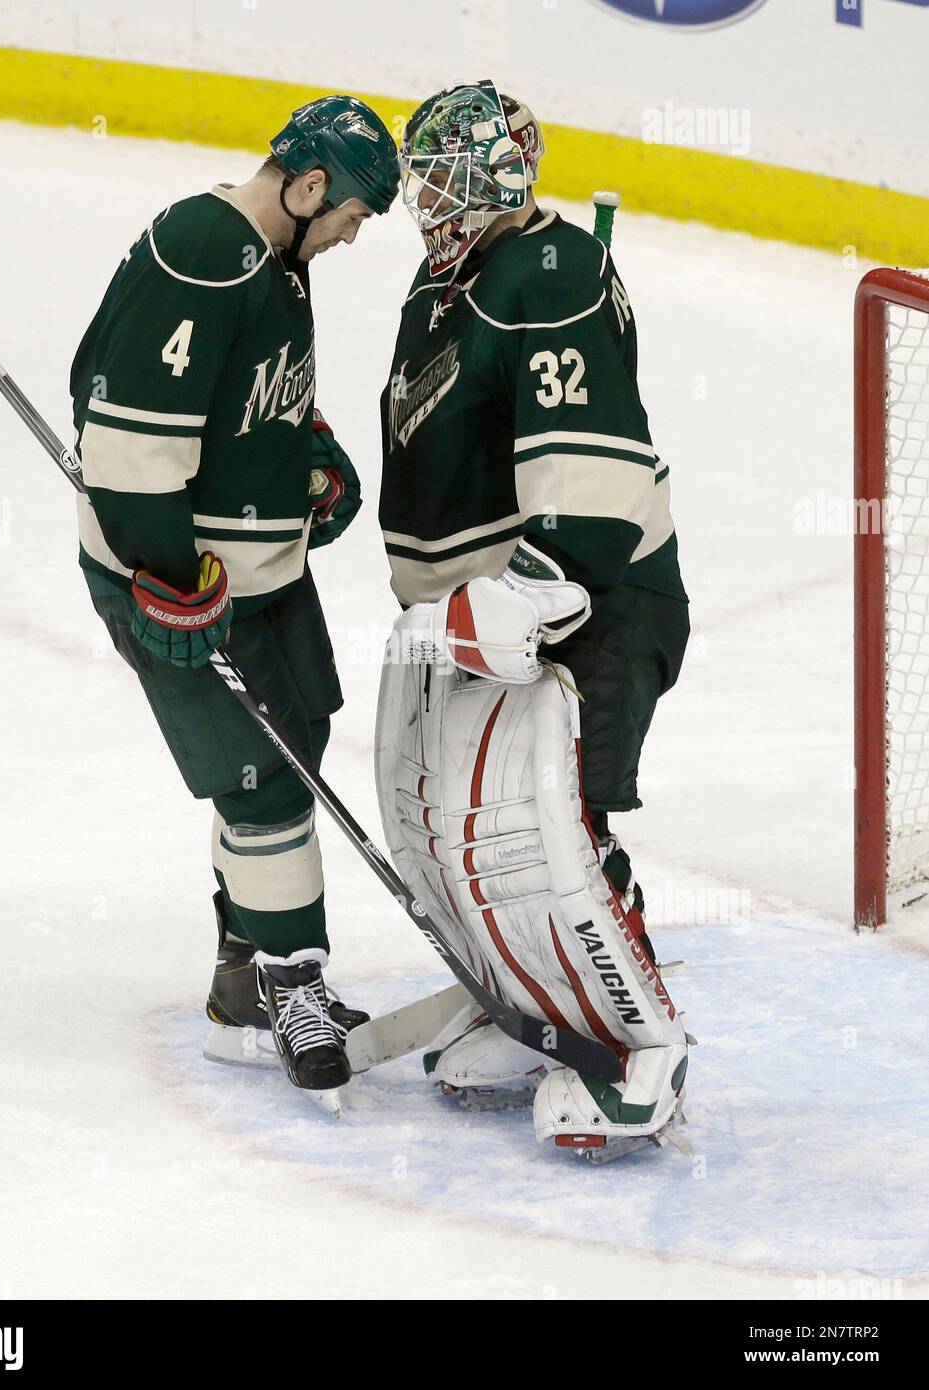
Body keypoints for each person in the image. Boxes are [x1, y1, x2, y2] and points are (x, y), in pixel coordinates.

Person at [70, 95, 399, 1092]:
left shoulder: (269, 260)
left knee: (298, 743)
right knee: (261, 787)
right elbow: (127, 450)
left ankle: (242, 975)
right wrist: (167, 586)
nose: (349, 236)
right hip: (181, 584)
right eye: (349, 214)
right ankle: (290, 984)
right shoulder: (206, 253)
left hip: (260, 576)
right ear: (305, 187)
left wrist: (303, 459)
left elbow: (236, 397)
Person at [378, 80, 689, 1100]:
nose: (425, 200)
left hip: (580, 612)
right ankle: (542, 1014)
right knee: (486, 845)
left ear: (496, 175)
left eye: (443, 179)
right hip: (476, 623)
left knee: (568, 835)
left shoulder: (552, 271)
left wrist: (529, 593)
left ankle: (644, 1048)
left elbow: (588, 479)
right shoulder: (451, 283)